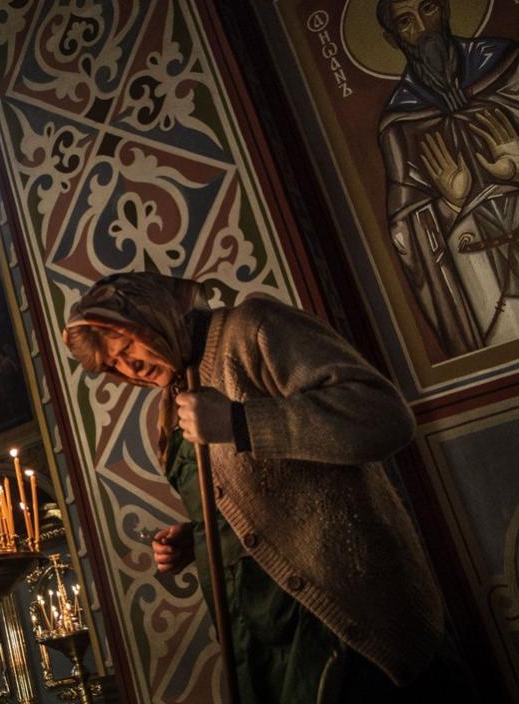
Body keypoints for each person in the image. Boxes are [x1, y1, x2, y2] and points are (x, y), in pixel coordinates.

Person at [61, 272, 468, 702]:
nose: (130, 368)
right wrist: (200, 536)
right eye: (113, 367)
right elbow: (254, 490)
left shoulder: (252, 330)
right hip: (258, 641)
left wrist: (240, 422)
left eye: (126, 348)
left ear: (153, 316)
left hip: (339, 620)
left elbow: (386, 416)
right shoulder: (170, 403)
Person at [376, 0, 519, 356]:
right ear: (393, 38)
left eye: (427, 8)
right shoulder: (400, 126)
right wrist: (450, 204)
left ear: (445, 9)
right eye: (405, 21)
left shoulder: (507, 66)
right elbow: (406, 234)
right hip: (481, 274)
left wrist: (516, 165)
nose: (422, 27)